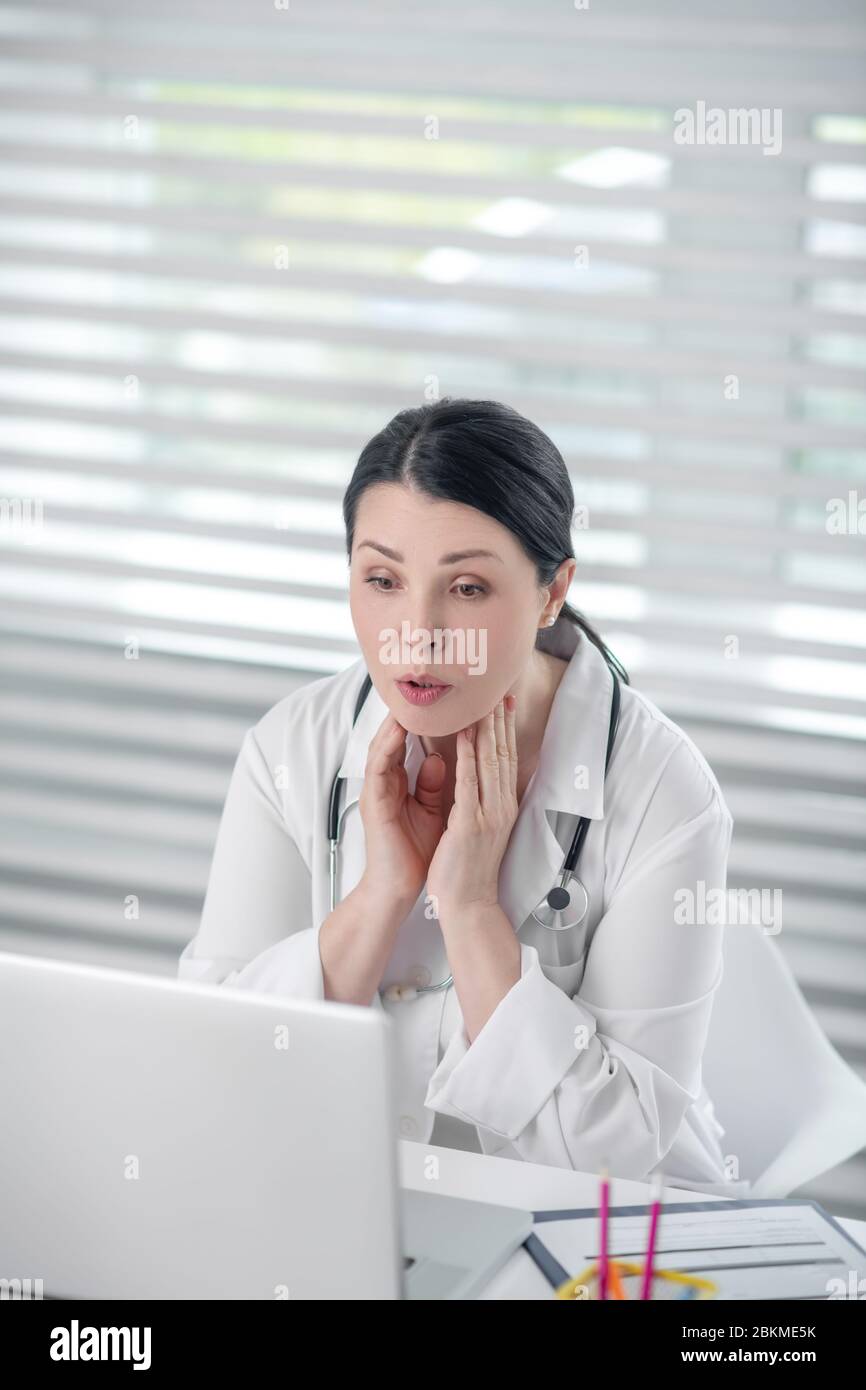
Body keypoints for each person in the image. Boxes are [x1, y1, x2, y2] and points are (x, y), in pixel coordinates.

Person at [178, 396, 749, 1196]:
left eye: (469, 589)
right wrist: (381, 895)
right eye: (382, 579)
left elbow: (618, 1148)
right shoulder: (291, 748)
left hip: (596, 1239)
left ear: (553, 592)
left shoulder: (662, 791)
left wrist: (474, 908)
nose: (417, 632)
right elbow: (210, 1066)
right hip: (354, 1210)